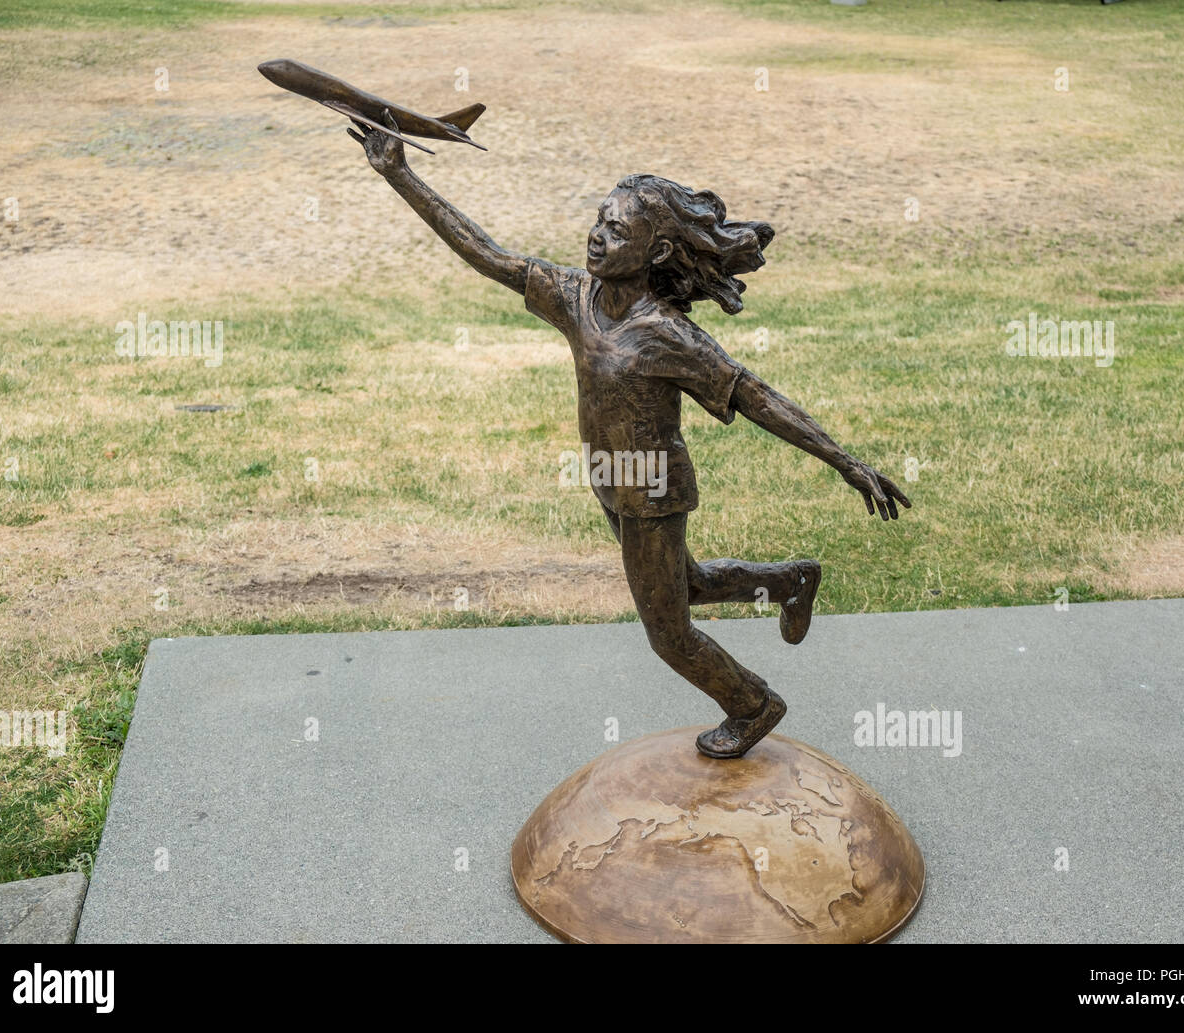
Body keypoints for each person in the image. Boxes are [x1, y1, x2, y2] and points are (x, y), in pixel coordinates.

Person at [349, 112, 911, 758]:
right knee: (686, 583)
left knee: (669, 633)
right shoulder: (572, 295)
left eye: (617, 232)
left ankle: (753, 702)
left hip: (653, 491)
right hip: (611, 482)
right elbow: (486, 253)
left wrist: (844, 460)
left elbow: (755, 396)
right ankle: (789, 580)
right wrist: (399, 172)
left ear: (658, 251)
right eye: (598, 221)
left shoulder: (668, 334)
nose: (596, 238)